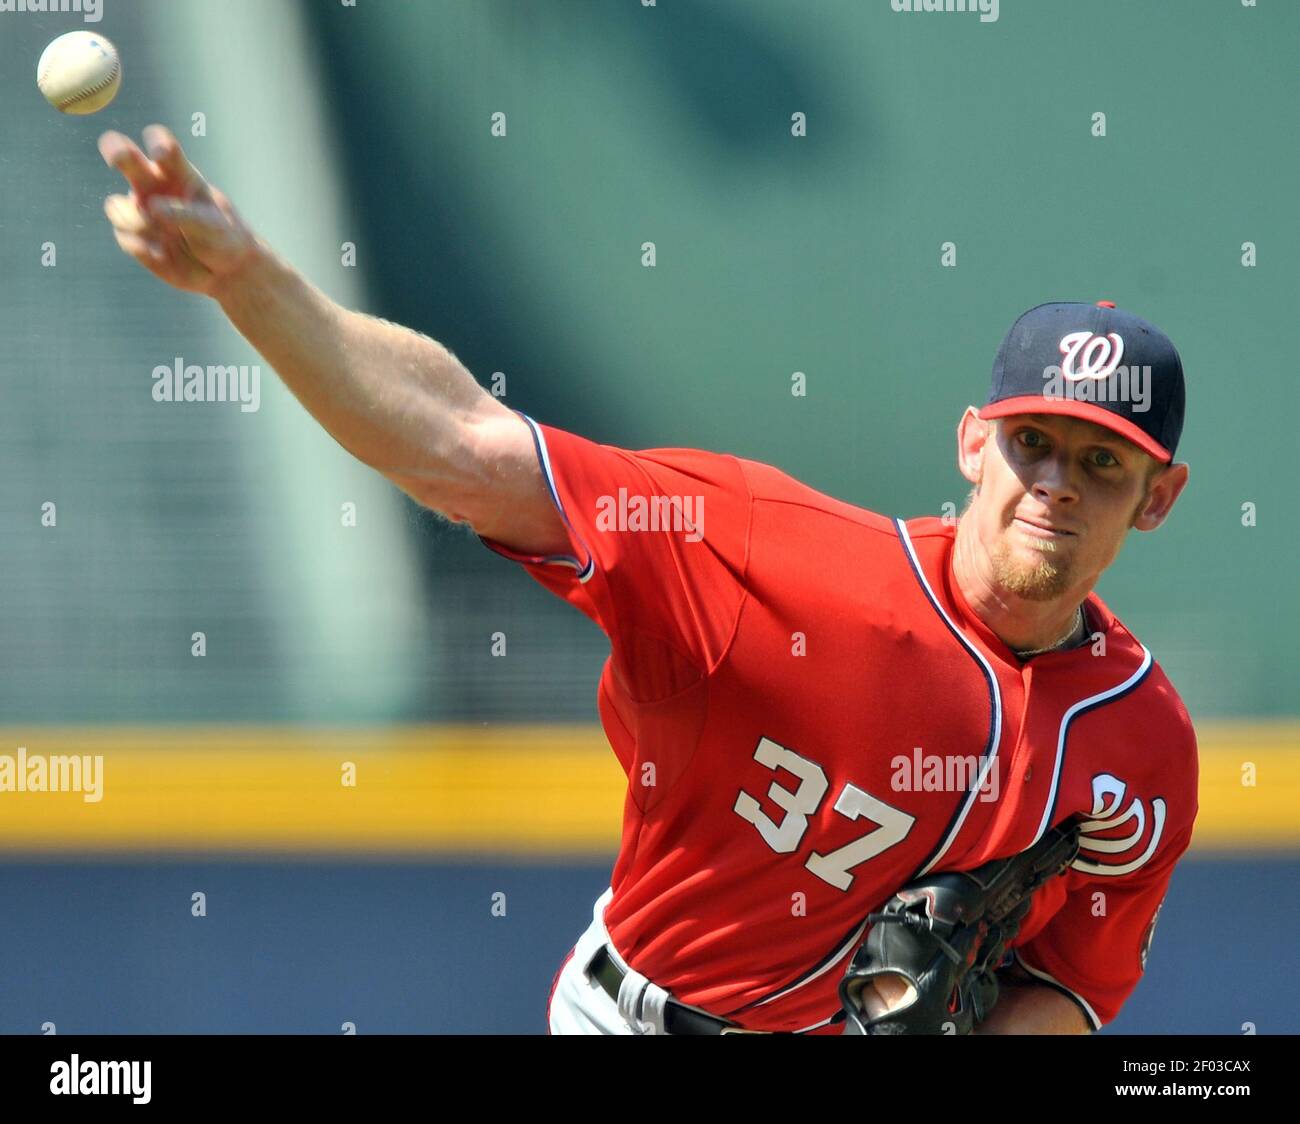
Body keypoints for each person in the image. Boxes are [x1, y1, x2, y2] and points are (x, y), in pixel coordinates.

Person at [99, 125, 1196, 1036]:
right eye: (1031, 444)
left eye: (1100, 461)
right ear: (971, 444)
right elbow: (464, 443)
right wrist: (253, 284)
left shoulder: (1139, 743)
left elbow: (1073, 984)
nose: (1054, 483)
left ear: (1156, 497)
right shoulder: (770, 557)